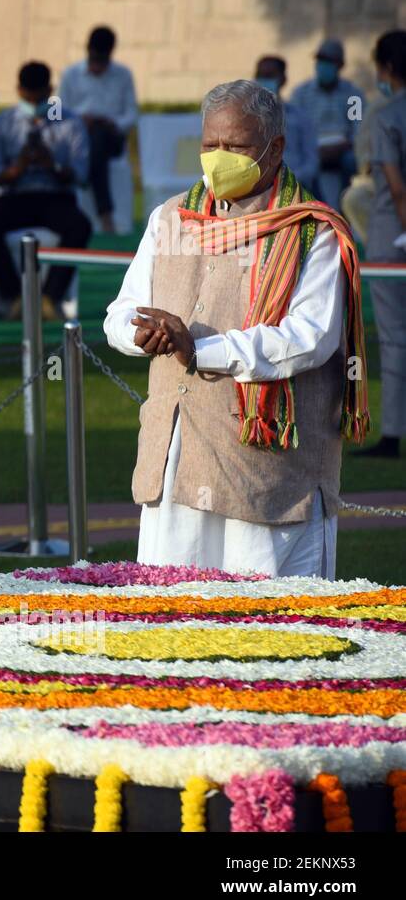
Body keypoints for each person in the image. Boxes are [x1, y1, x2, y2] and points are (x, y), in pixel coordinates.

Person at [104, 80, 368, 577]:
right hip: (175, 458)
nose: (218, 157)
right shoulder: (170, 219)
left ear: (276, 149)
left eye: (236, 146)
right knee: (170, 617)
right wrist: (140, 334)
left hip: (266, 471)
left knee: (271, 627)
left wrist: (200, 349)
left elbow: (307, 339)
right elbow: (121, 311)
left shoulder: (312, 232)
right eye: (210, 145)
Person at [0, 61, 91, 319]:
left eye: (39, 97)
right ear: (19, 91)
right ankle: (15, 296)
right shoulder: (2, 124)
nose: (34, 102)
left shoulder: (71, 123)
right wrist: (18, 168)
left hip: (55, 197)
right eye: (28, 97)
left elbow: (81, 176)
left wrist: (53, 166)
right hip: (16, 196)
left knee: (80, 226)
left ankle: (50, 297)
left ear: (50, 91)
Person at [356, 30, 406, 459]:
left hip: (393, 237)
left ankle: (392, 433)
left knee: (393, 338)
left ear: (388, 68)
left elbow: (395, 186)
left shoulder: (386, 116)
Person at [59, 26, 137, 233]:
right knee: (93, 140)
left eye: (101, 61)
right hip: (80, 137)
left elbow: (131, 114)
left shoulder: (123, 75)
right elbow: (59, 112)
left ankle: (92, 193)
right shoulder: (70, 75)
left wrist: (113, 123)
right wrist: (80, 119)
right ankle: (105, 215)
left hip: (111, 138)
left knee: (99, 137)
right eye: (94, 60)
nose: (97, 66)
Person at [291, 38, 364, 200]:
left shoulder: (353, 95)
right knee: (303, 166)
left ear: (340, 65)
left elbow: (358, 129)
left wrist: (341, 147)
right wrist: (313, 150)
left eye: (329, 61)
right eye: (320, 60)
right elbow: (295, 130)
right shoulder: (301, 94)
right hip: (311, 149)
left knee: (352, 161)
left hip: (343, 150)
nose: (323, 65)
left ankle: (345, 201)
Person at [255, 55, 319, 190]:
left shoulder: (299, 117)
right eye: (261, 75)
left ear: (283, 79)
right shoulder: (245, 117)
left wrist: (288, 181)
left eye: (270, 75)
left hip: (295, 185)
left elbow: (312, 162)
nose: (264, 80)